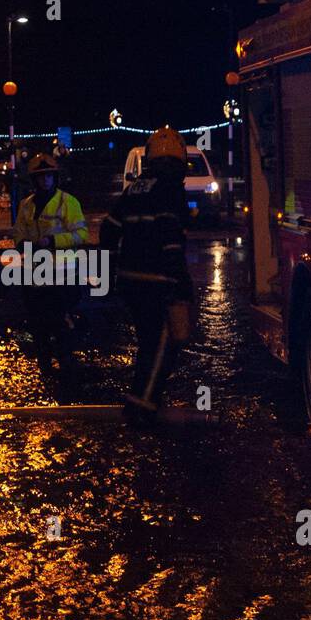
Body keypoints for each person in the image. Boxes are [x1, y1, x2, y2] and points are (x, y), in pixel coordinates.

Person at [100, 126, 194, 425]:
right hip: (158, 283)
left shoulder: (134, 188)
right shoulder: (171, 190)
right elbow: (172, 242)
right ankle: (143, 408)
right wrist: (182, 285)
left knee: (147, 342)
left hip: (129, 281)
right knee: (163, 348)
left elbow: (108, 231)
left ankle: (138, 400)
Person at [13, 151, 89, 381]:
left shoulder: (69, 202)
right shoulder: (26, 206)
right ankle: (45, 366)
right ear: (34, 180)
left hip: (64, 276)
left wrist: (53, 241)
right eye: (41, 177)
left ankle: (66, 364)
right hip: (37, 274)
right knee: (39, 323)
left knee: (60, 322)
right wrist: (25, 245)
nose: (45, 180)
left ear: (55, 178)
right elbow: (18, 234)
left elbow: (81, 234)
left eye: (49, 176)